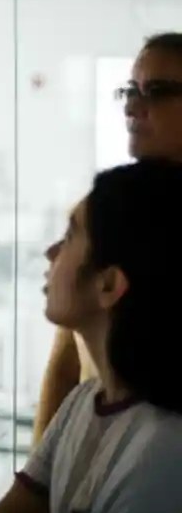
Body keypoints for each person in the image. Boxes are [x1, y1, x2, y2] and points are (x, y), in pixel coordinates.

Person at [0, 159, 182, 513]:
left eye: (70, 235)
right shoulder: (82, 403)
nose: (50, 251)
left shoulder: (164, 451)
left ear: (108, 285)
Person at [33, 32, 182, 440]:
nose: (132, 107)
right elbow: (67, 362)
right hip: (97, 445)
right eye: (131, 90)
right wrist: (45, 461)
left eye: (158, 92)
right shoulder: (105, 210)